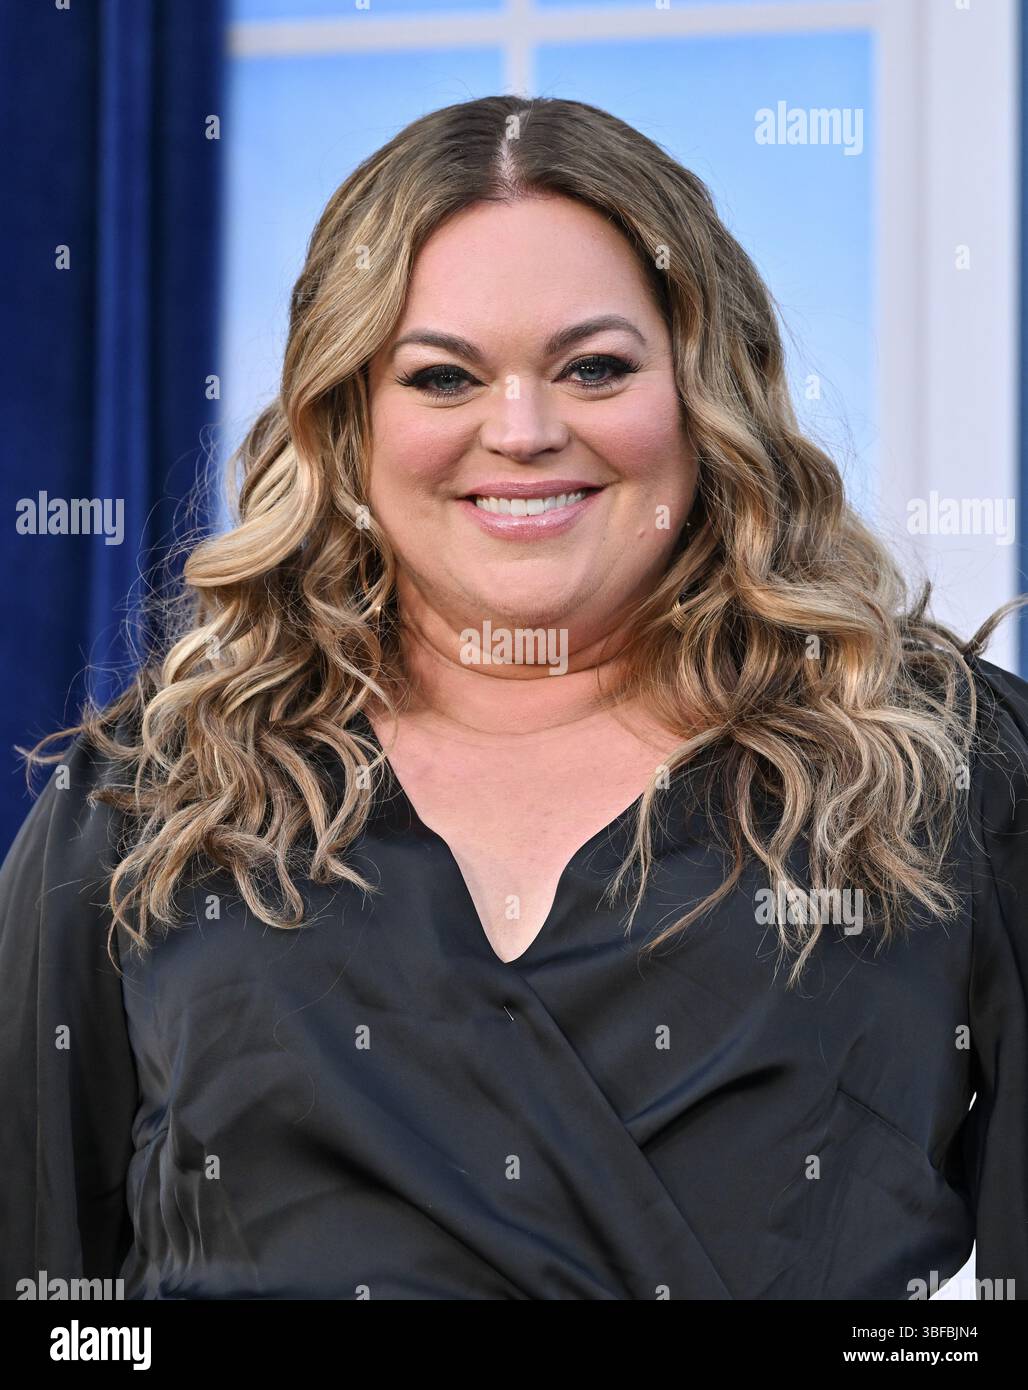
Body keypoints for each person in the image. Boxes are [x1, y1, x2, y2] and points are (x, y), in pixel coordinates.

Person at [1, 94, 1027, 1302]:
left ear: (708, 391)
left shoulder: (939, 765)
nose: (523, 429)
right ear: (347, 417)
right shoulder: (145, 803)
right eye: (442, 376)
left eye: (594, 366)